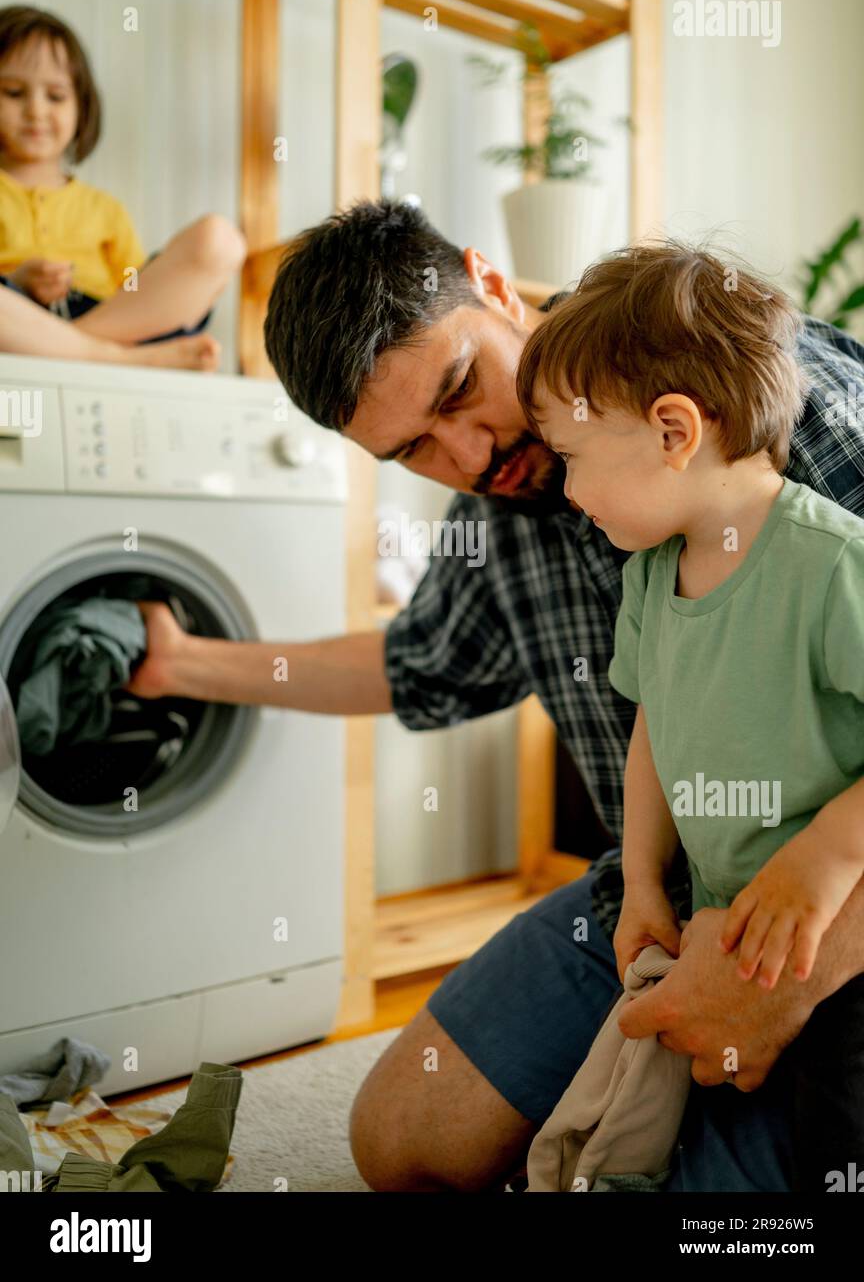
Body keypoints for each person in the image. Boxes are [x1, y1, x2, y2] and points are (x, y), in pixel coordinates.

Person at [129, 199, 864, 1192]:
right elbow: (412, 662)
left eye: (461, 388)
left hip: (827, 909)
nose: (470, 458)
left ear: (491, 278)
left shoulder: (769, 397)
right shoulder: (509, 512)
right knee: (401, 1140)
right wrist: (185, 663)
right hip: (656, 897)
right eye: (415, 452)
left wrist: (795, 974)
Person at [516, 242, 864, 1192]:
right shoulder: (648, 577)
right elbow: (652, 732)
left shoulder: (830, 563)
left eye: (574, 457)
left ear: (674, 429)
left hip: (837, 957)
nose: (568, 489)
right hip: (723, 929)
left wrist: (828, 857)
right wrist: (638, 882)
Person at [0, 4, 246, 369]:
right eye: (14, 92)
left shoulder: (104, 209)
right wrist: (16, 280)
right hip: (14, 315)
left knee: (221, 240)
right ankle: (116, 359)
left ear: (82, 107)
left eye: (55, 96)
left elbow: (137, 290)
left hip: (109, 319)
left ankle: (80, 349)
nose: (36, 110)